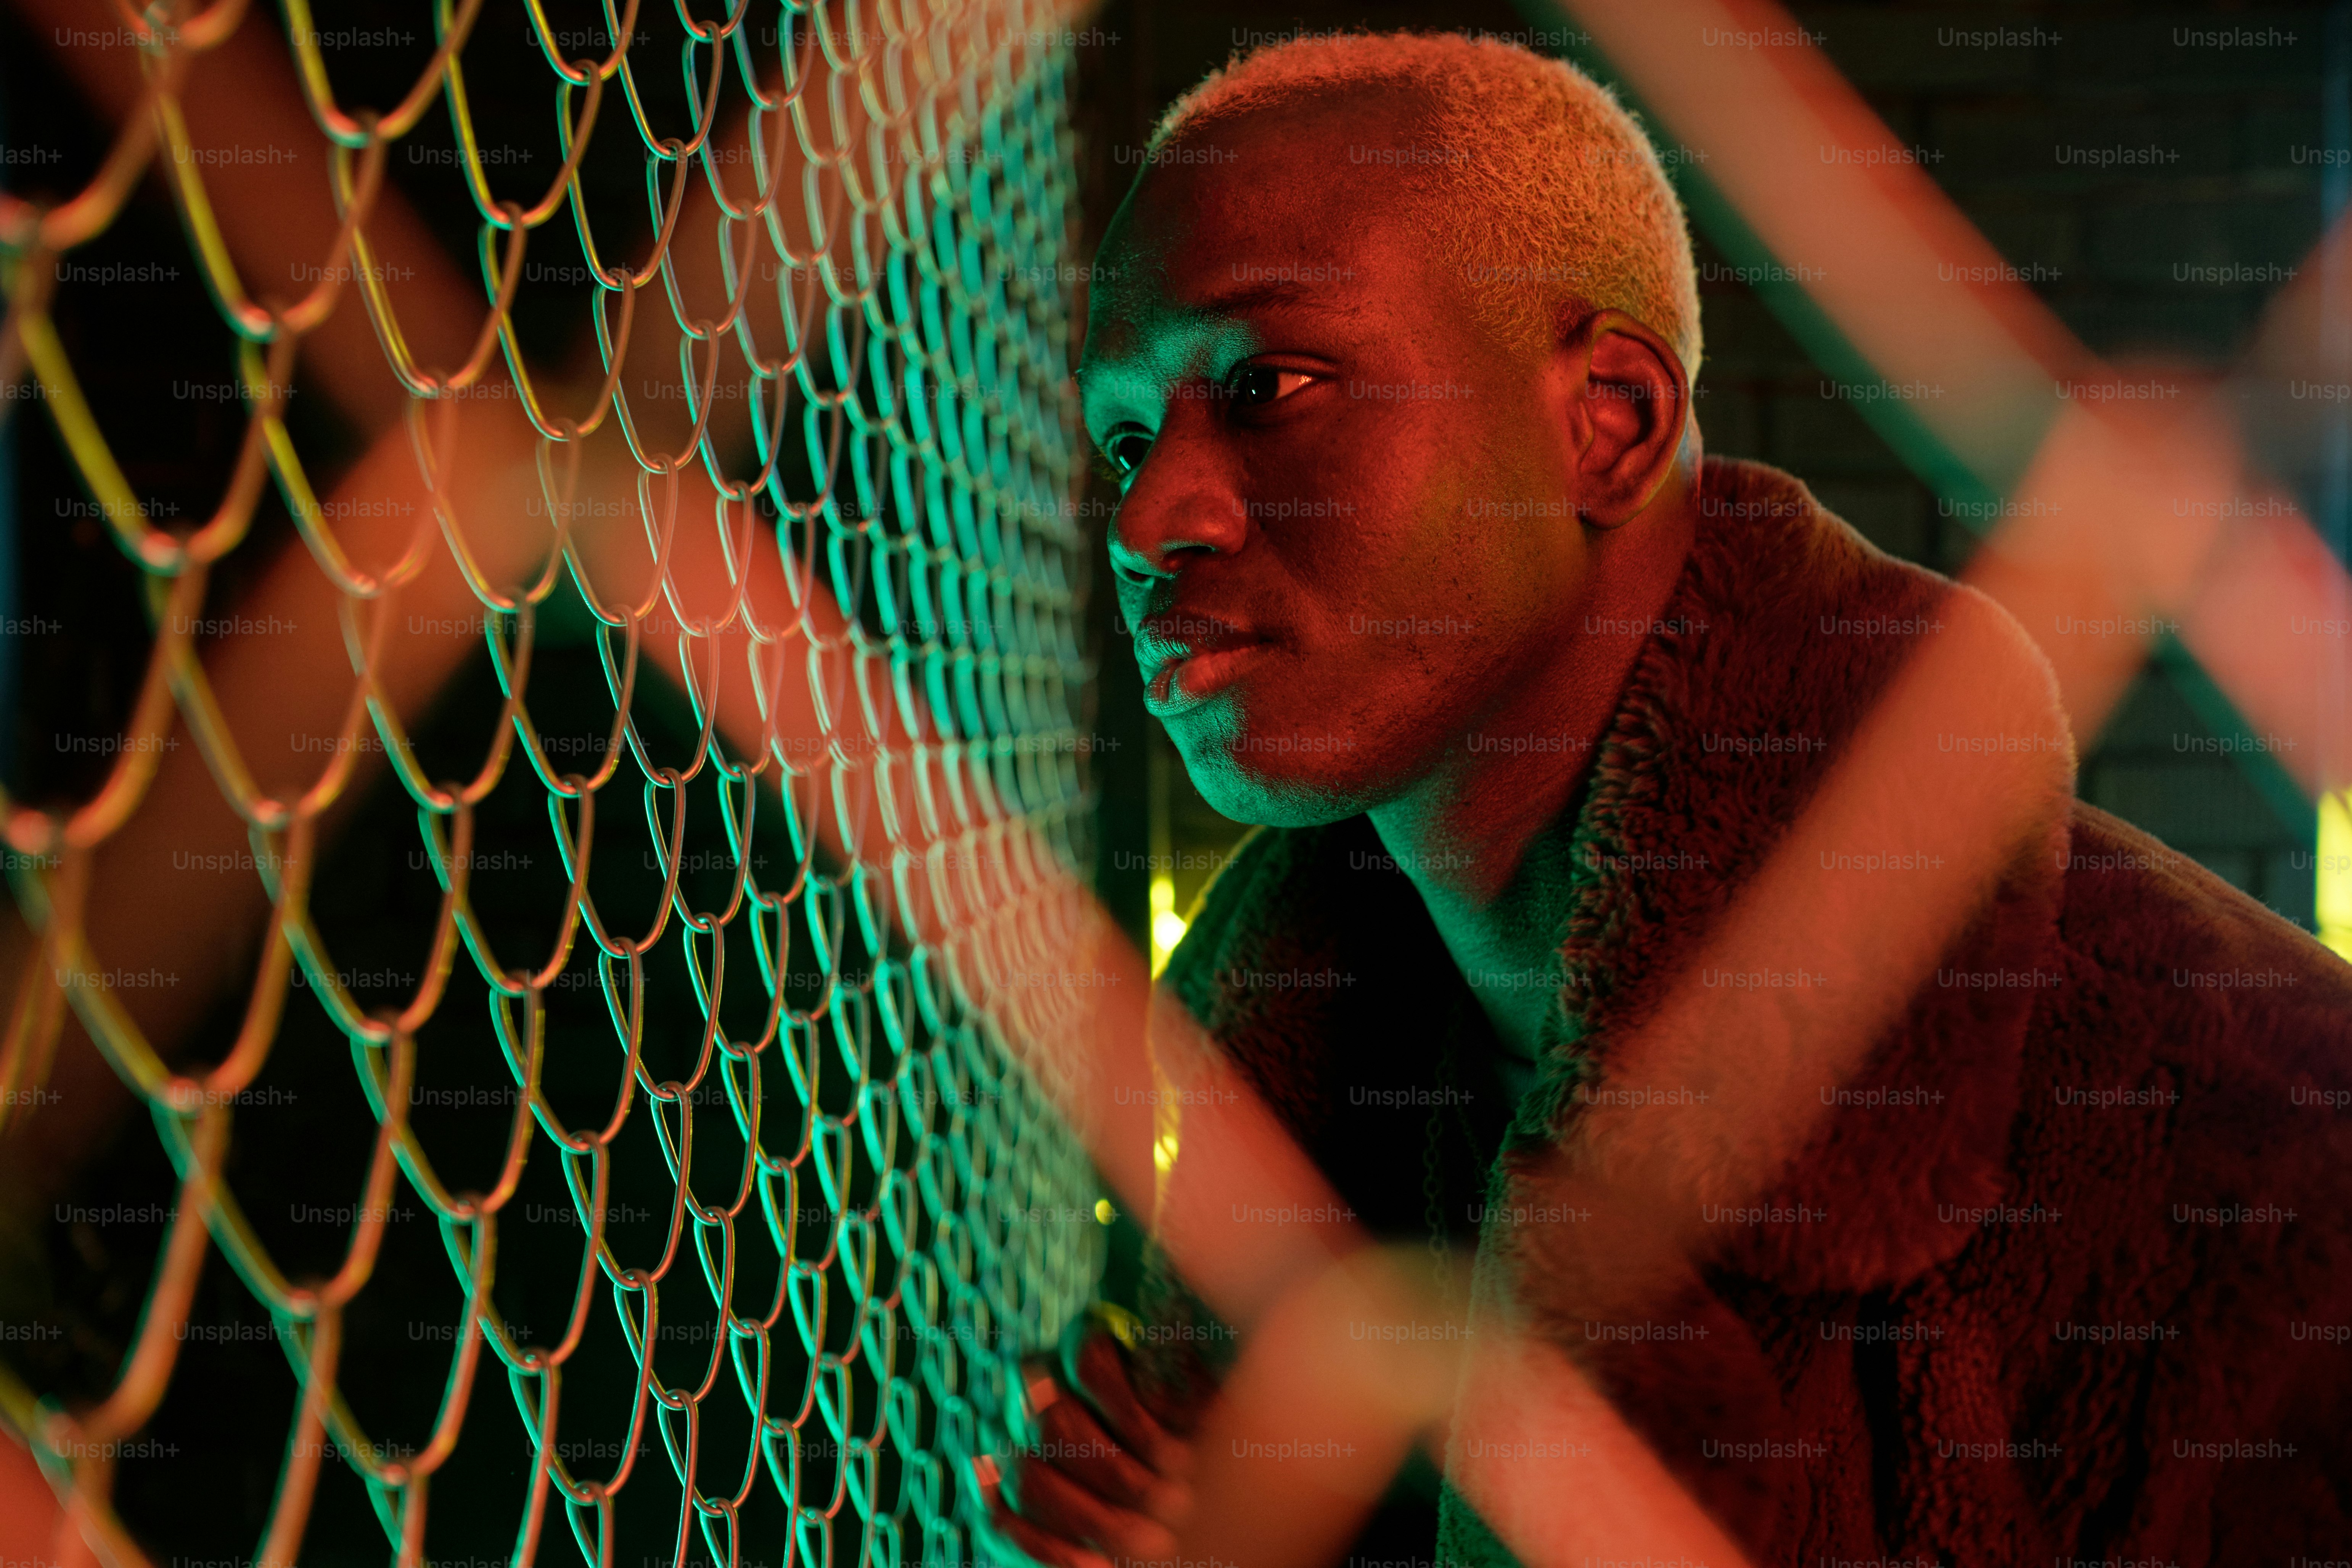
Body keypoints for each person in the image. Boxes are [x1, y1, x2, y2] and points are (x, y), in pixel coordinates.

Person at [990, 27, 2352, 1568]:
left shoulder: (2261, 1145)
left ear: (1609, 422)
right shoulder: (1317, 1104)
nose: (1151, 514)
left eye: (1269, 383)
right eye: (1122, 436)